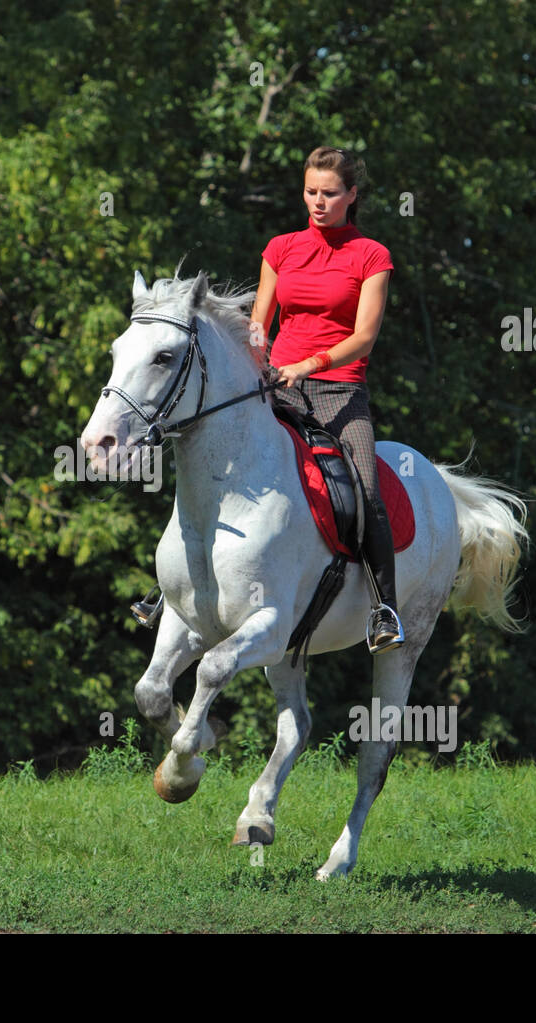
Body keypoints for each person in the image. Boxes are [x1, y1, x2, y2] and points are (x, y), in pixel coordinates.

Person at [131, 145, 403, 654]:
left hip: (338, 390)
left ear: (352, 195)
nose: (318, 202)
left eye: (329, 193)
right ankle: (172, 590)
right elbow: (259, 323)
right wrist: (258, 367)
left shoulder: (372, 256)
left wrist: (310, 364)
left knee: (365, 489)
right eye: (310, 192)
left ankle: (384, 608)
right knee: (214, 461)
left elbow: (364, 336)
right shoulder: (281, 247)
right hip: (276, 381)